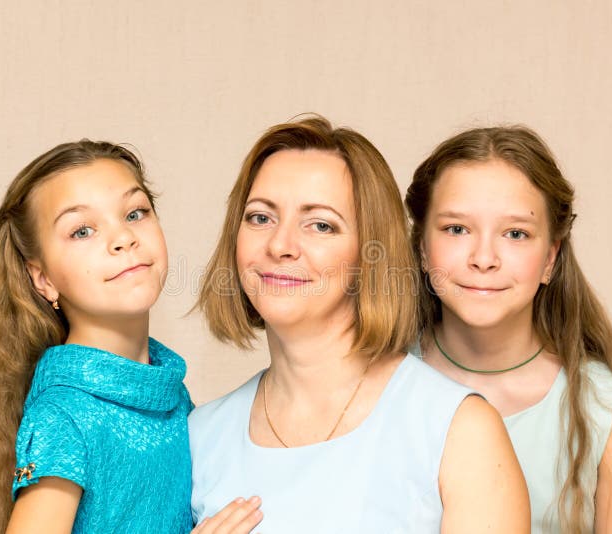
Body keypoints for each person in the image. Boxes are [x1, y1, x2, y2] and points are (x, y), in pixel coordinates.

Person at [191, 115, 530, 533]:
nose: (280, 245)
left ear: (370, 255)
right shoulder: (199, 437)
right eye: (261, 218)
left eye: (320, 225)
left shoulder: (458, 431)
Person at [0, 141, 261, 534]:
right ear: (42, 279)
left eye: (135, 213)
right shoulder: (64, 415)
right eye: (82, 231)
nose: (123, 238)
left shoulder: (169, 394)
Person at [405, 126, 612, 533]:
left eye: (515, 234)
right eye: (456, 229)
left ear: (550, 257)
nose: (484, 258)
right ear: (423, 248)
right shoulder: (372, 385)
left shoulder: (606, 414)